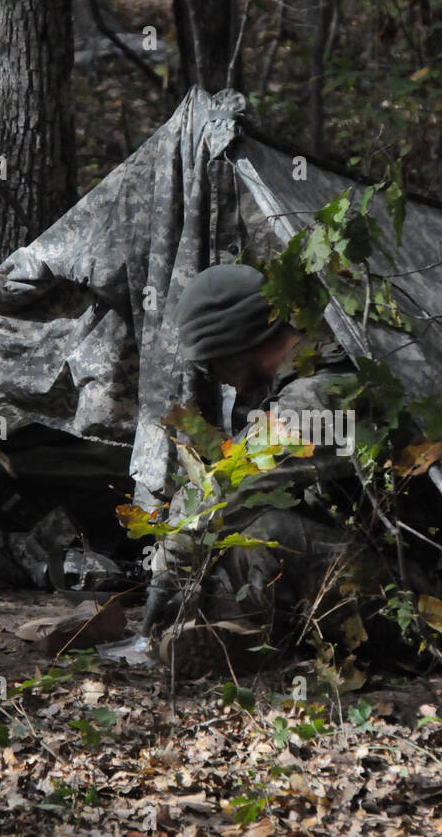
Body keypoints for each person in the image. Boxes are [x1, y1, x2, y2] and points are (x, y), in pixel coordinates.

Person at [140, 263, 367, 675]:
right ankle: (237, 635)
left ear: (235, 347)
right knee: (240, 536)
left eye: (211, 364)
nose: (218, 379)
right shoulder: (302, 381)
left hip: (392, 591)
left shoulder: (319, 394)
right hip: (355, 565)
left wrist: (166, 571)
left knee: (262, 534)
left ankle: (261, 642)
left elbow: (232, 485)